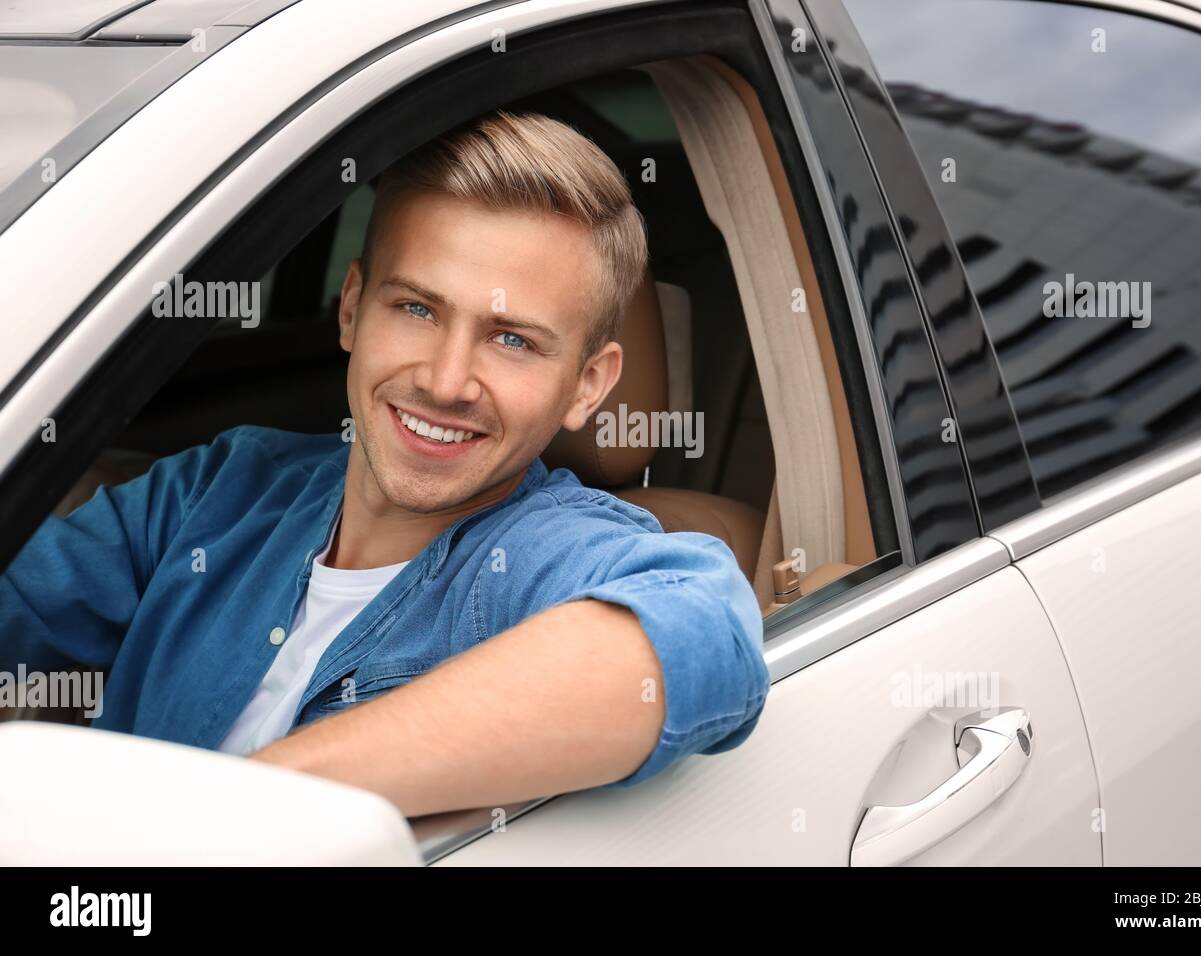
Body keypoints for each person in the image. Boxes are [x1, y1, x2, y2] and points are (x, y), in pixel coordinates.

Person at [0, 110, 770, 817]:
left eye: (512, 340)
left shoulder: (552, 554)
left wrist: (243, 812)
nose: (443, 381)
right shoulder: (223, 487)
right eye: (417, 309)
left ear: (589, 385)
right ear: (351, 309)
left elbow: (705, 630)